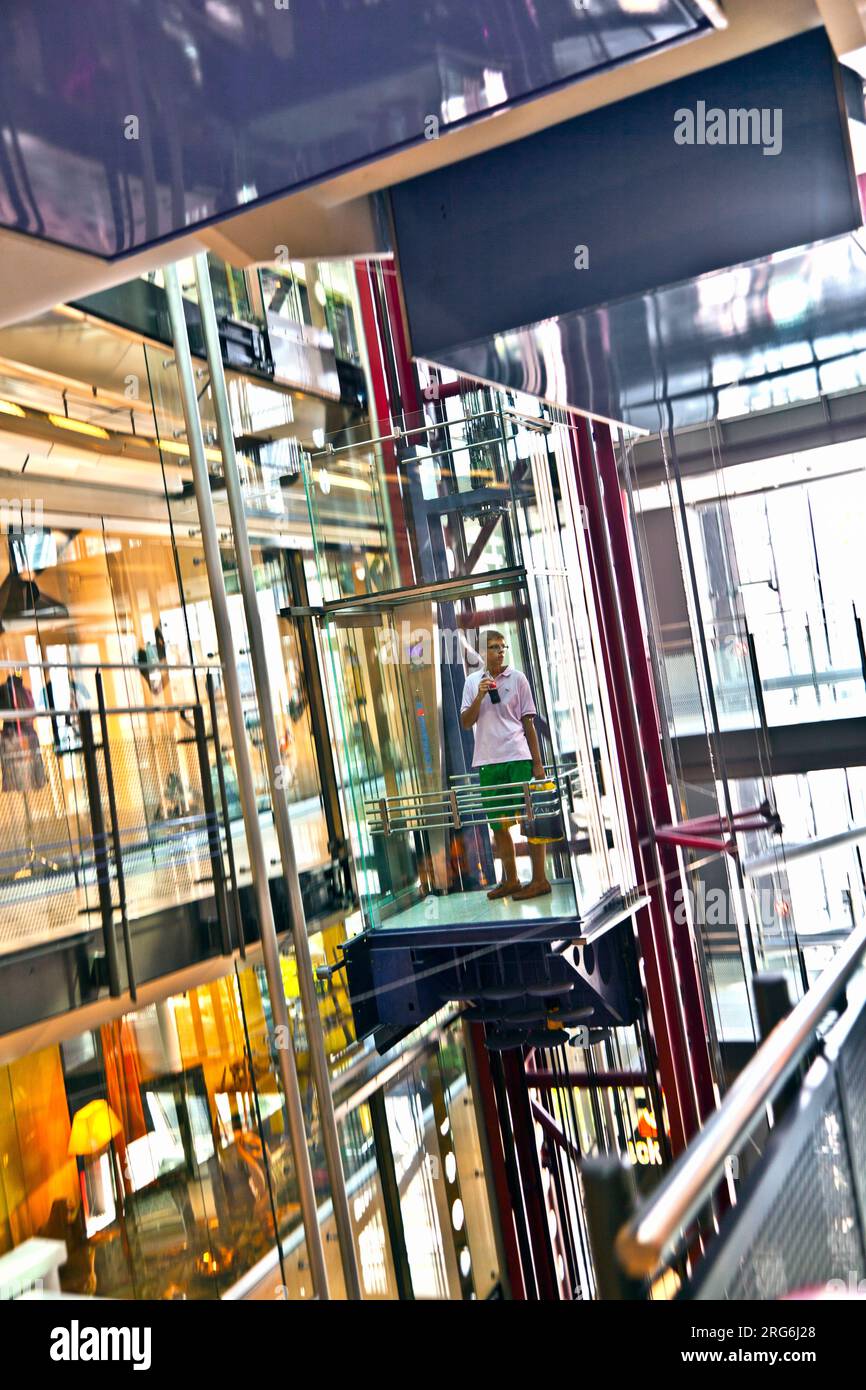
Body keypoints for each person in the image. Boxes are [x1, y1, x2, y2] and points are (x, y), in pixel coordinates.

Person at [460, 630, 551, 901]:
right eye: (493, 647)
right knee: (498, 825)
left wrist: (537, 764)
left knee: (529, 820)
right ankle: (511, 880)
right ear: (482, 653)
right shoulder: (472, 683)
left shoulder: (518, 678)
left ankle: (539, 880)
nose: (500, 651)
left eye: (503, 646)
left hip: (518, 757)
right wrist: (479, 696)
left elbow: (529, 724)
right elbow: (466, 723)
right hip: (488, 762)